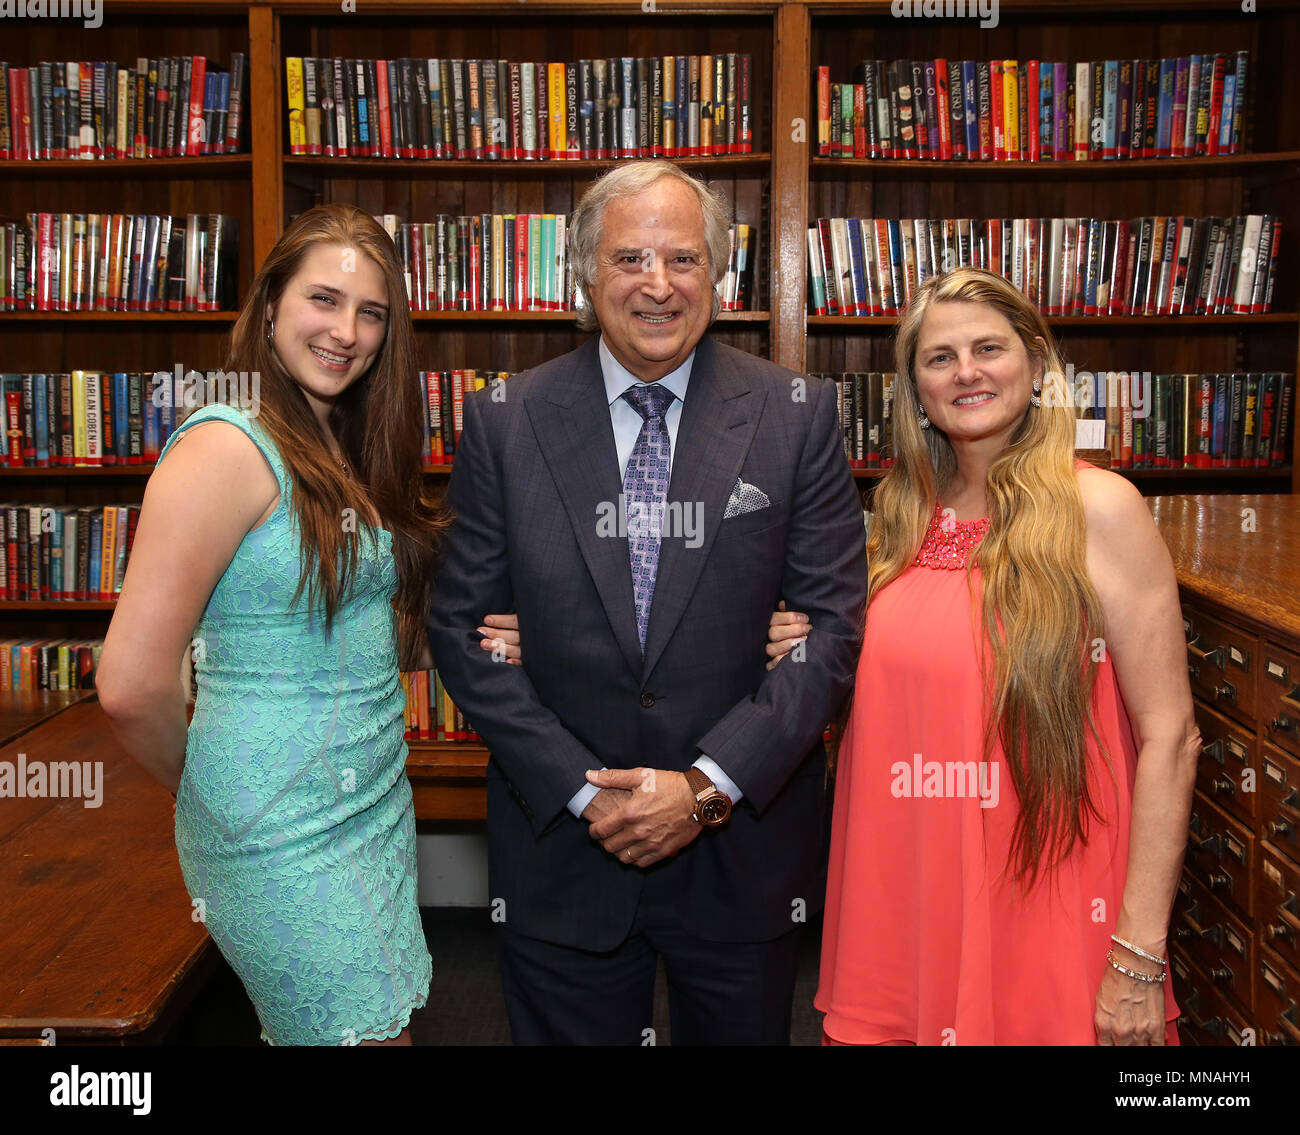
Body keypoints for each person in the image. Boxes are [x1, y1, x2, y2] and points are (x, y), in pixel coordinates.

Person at [426, 160, 869, 1045]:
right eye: (630, 258)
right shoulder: (507, 421)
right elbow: (460, 629)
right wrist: (590, 797)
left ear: (718, 274)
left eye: (684, 259)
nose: (659, 285)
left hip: (739, 848)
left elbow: (831, 634)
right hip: (562, 846)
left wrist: (704, 791)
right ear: (587, 277)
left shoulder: (798, 415)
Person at [95, 204, 521, 1045]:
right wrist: (208, 790)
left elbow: (353, 636)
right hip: (274, 830)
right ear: (271, 305)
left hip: (367, 807)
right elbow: (128, 683)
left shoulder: (338, 445)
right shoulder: (225, 448)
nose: (346, 331)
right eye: (323, 300)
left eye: (371, 313)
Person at [767, 266, 1199, 1046]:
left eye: (988, 348)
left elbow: (1170, 736)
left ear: (1035, 365)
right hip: (906, 897)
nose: (965, 371)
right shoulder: (898, 518)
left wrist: (1139, 953)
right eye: (939, 357)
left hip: (1050, 901)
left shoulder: (1099, 508)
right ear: (916, 388)